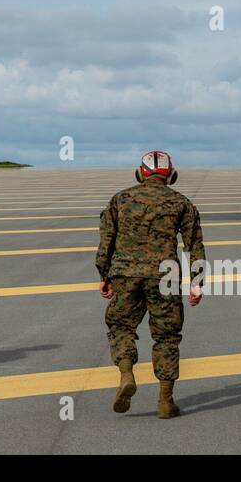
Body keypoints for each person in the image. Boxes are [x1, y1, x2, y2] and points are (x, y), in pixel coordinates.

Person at [96, 150, 205, 418]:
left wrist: (104, 275)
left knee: (121, 326)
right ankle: (166, 401)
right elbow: (194, 245)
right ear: (170, 174)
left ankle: (126, 374)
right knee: (167, 335)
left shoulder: (120, 199)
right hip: (165, 276)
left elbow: (106, 242)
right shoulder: (181, 202)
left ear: (140, 173)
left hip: (125, 273)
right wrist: (197, 283)